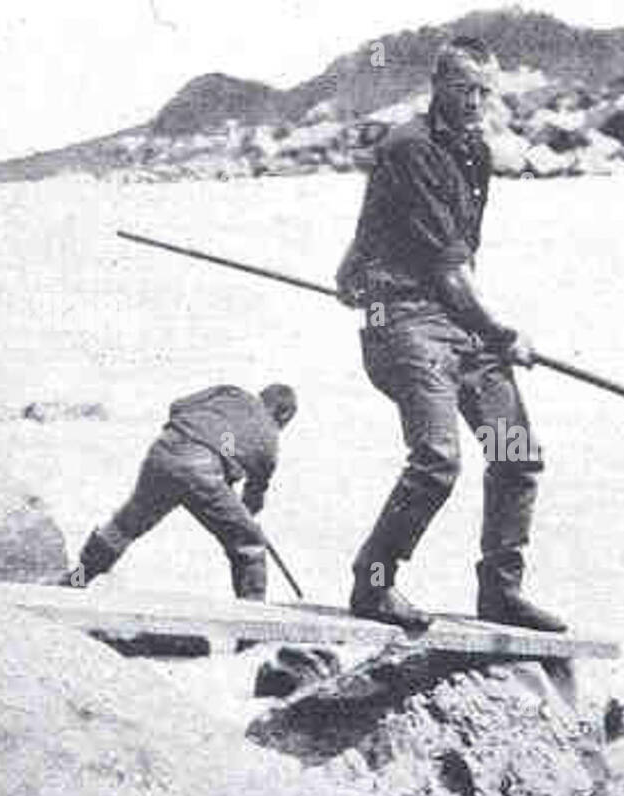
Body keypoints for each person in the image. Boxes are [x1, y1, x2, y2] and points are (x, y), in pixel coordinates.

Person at [335, 36, 566, 633]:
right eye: (465, 89)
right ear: (438, 85)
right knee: (437, 460)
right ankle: (374, 583)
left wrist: (349, 268)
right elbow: (447, 268)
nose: (477, 102)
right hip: (405, 320)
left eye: (486, 91)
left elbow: (432, 248)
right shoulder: (408, 148)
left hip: (455, 318)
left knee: (516, 457)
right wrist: (504, 332)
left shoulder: (475, 153)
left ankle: (501, 592)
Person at [59, 383, 298, 600]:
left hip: (163, 452)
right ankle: (251, 627)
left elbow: (177, 406)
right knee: (250, 543)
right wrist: (224, 475)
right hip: (203, 472)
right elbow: (252, 502)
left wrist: (211, 440)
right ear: (283, 414)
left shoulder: (231, 392)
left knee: (122, 528)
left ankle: (75, 581)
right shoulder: (270, 441)